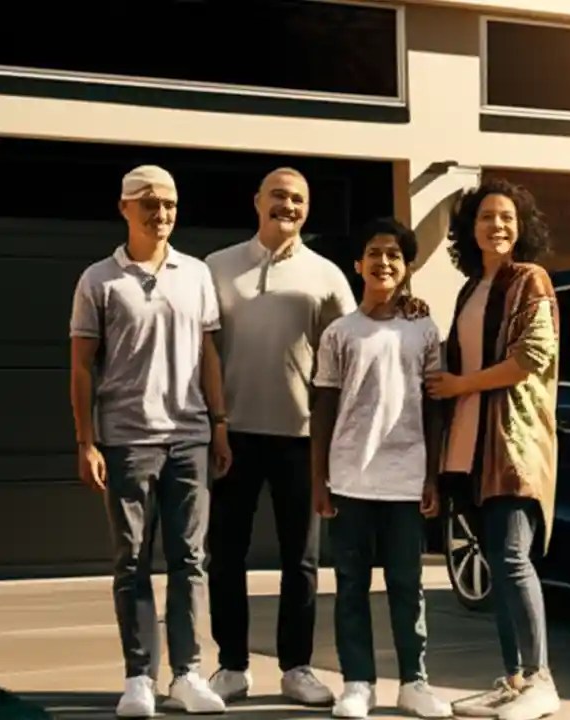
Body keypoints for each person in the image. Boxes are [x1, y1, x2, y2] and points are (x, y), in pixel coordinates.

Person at [68, 165, 231, 717]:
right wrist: (86, 441)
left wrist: (220, 423)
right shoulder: (98, 279)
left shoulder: (197, 274)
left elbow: (209, 354)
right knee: (132, 560)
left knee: (190, 559)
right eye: (149, 203)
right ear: (125, 208)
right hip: (126, 441)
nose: (161, 214)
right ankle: (139, 676)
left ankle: (186, 675)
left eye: (169, 205)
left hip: (190, 438)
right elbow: (82, 367)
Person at [203, 168, 352, 706]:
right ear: (256, 201)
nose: (287, 206)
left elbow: (349, 355)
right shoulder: (215, 268)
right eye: (278, 196)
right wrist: (213, 422)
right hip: (231, 435)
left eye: (298, 200)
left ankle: (297, 668)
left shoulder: (328, 276)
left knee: (303, 561)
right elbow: (202, 352)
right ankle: (232, 666)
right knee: (225, 554)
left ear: (306, 210)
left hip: (301, 439)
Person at [425, 178, 561, 720]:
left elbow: (532, 356)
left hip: (512, 445)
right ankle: (513, 679)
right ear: (469, 229)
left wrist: (461, 385)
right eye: (486, 217)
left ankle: (542, 680)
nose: (497, 225)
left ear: (521, 226)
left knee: (511, 557)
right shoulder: (469, 290)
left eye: (507, 217)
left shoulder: (531, 280)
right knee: (497, 567)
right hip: (468, 449)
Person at [311, 218, 451, 719]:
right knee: (350, 585)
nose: (384, 262)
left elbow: (436, 408)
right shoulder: (338, 333)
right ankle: (357, 683)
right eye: (374, 253)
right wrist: (319, 482)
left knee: (407, 586)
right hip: (349, 479)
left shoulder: (424, 328)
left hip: (406, 480)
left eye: (394, 254)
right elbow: (323, 409)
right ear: (358, 264)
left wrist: (432, 475)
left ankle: (414, 682)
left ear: (407, 267)